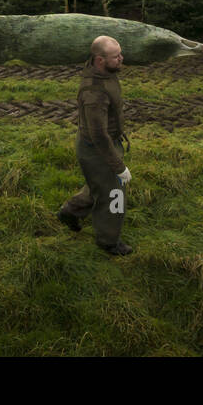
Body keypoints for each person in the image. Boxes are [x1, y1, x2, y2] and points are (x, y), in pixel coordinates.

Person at [56, 35, 133, 255]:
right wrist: (119, 167)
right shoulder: (94, 92)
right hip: (97, 149)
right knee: (114, 195)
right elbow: (98, 134)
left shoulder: (103, 70)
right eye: (116, 56)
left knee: (101, 184)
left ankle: (70, 212)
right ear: (100, 60)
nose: (122, 59)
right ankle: (108, 241)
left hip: (107, 143)